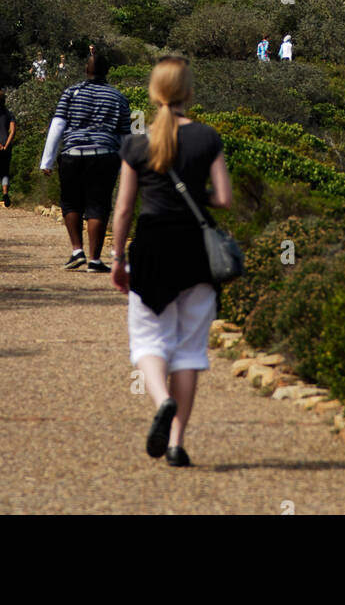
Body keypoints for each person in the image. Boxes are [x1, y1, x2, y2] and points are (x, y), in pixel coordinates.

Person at [111, 57, 232, 466]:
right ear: (189, 93)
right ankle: (177, 444)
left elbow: (124, 209)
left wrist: (116, 258)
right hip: (195, 251)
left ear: (154, 92)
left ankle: (161, 400)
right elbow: (224, 198)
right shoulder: (207, 137)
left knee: (149, 340)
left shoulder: (136, 144)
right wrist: (198, 196)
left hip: (151, 249)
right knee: (189, 351)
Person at [39, 50, 132, 272]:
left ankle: (76, 251)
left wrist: (47, 161)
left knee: (71, 203)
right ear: (107, 71)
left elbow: (57, 126)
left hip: (72, 154)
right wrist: (129, 165)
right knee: (98, 205)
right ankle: (95, 260)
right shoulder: (118, 97)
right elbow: (125, 135)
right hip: (104, 155)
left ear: (85, 69)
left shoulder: (70, 93)